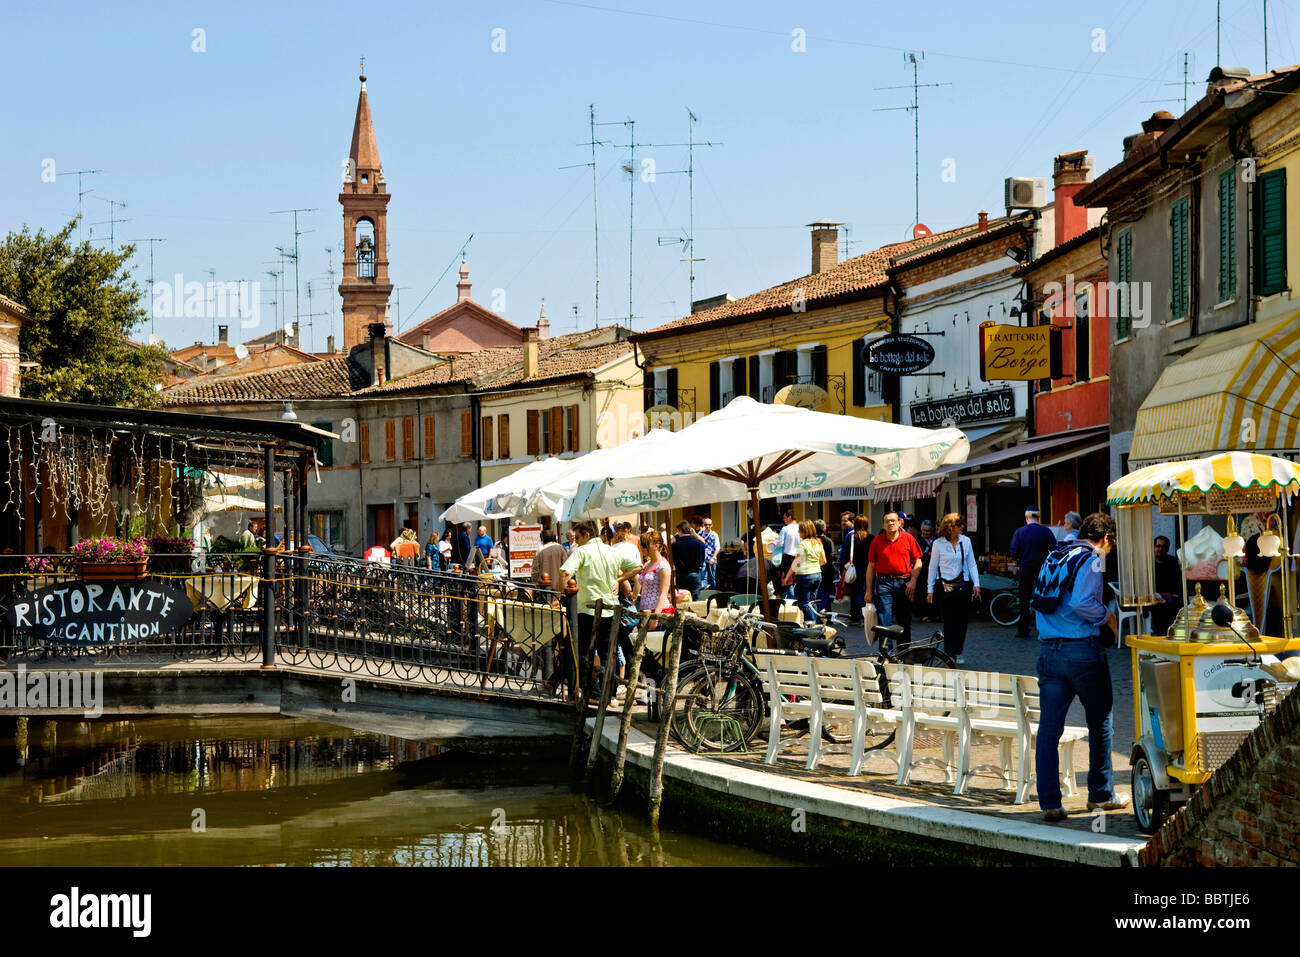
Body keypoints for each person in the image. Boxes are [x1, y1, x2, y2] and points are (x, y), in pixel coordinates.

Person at [1033, 511, 1129, 822]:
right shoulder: (1092, 558)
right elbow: (1081, 603)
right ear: (1106, 539)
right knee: (1100, 723)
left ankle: (1049, 802)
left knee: (1049, 730)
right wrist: (1108, 617)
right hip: (1081, 651)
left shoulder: (1056, 554)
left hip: (1049, 649)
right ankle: (1101, 796)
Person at [555, 521, 641, 700]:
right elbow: (638, 566)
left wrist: (556, 597)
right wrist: (619, 580)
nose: (576, 541)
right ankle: (608, 695)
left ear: (587, 534)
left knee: (582, 651)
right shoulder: (612, 551)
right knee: (607, 653)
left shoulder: (582, 551)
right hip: (609, 609)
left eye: (577, 537)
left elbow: (565, 574)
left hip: (586, 609)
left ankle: (589, 692)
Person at [926, 513, 981, 663]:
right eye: (959, 524)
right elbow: (932, 567)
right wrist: (929, 590)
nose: (963, 527)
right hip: (945, 587)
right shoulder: (938, 544)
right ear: (950, 527)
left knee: (962, 621)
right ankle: (950, 652)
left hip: (963, 585)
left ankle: (959, 650)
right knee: (949, 621)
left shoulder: (966, 541)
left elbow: (972, 563)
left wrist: (976, 584)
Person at [864, 510, 923, 649]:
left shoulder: (908, 538)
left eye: (893, 520)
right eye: (887, 521)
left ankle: (903, 653)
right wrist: (868, 591)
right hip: (883, 584)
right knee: (885, 620)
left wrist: (913, 580)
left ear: (899, 523)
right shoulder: (877, 541)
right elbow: (871, 567)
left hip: (905, 583)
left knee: (904, 620)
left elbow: (918, 561)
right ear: (883, 525)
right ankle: (887, 654)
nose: (890, 523)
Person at [1010, 505, 1058, 639]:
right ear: (1038, 517)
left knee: (1024, 599)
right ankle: (1045, 627)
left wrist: (1018, 558)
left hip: (1025, 568)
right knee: (1044, 596)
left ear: (1026, 517)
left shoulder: (1019, 532)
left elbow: (1013, 553)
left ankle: (1023, 629)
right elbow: (1054, 550)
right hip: (1042, 569)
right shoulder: (1046, 531)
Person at [1149, 535, 1184, 636]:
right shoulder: (1148, 563)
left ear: (1168, 549)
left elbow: (1177, 582)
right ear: (1153, 547)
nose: (1160, 549)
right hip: (1154, 596)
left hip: (1171, 595)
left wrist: (1172, 595)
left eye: (1163, 547)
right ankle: (1160, 634)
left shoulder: (1172, 562)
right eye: (1158, 546)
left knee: (1182, 604)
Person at [794, 519, 826, 623]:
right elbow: (824, 561)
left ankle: (812, 622)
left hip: (805, 575)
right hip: (817, 574)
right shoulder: (818, 542)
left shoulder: (803, 543)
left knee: (804, 603)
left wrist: (792, 573)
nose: (798, 533)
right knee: (813, 602)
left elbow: (797, 561)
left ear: (805, 531)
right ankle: (815, 623)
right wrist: (814, 566)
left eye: (800, 530)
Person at [843, 517, 873, 624]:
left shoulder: (851, 537)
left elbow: (845, 554)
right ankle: (866, 615)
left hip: (854, 569)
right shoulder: (871, 537)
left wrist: (844, 567)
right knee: (867, 591)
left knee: (855, 592)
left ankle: (856, 615)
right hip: (869, 568)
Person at [671, 520, 706, 597]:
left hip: (682, 575)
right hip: (696, 573)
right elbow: (703, 544)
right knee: (695, 598)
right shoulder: (700, 544)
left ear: (680, 531)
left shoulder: (675, 545)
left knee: (683, 599)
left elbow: (672, 557)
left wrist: (675, 537)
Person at [774, 508, 801, 599]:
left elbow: (780, 544)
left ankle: (791, 602)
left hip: (788, 557)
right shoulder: (800, 527)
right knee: (797, 580)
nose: (784, 520)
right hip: (799, 557)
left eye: (785, 518)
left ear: (789, 517)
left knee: (788, 581)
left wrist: (775, 543)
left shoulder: (785, 529)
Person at [814, 518, 836, 614]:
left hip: (815, 570)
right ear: (824, 529)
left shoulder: (812, 541)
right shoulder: (828, 541)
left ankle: (817, 613)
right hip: (827, 570)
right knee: (825, 593)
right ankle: (826, 614)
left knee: (816, 593)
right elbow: (832, 556)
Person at [698, 517, 721, 589]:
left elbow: (717, 548)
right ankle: (704, 595)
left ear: (712, 525)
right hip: (702, 559)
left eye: (709, 524)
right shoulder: (700, 534)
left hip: (711, 558)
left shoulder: (714, 534)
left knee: (712, 578)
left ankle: (712, 593)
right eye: (705, 524)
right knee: (703, 578)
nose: (707, 526)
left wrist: (713, 558)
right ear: (703, 525)